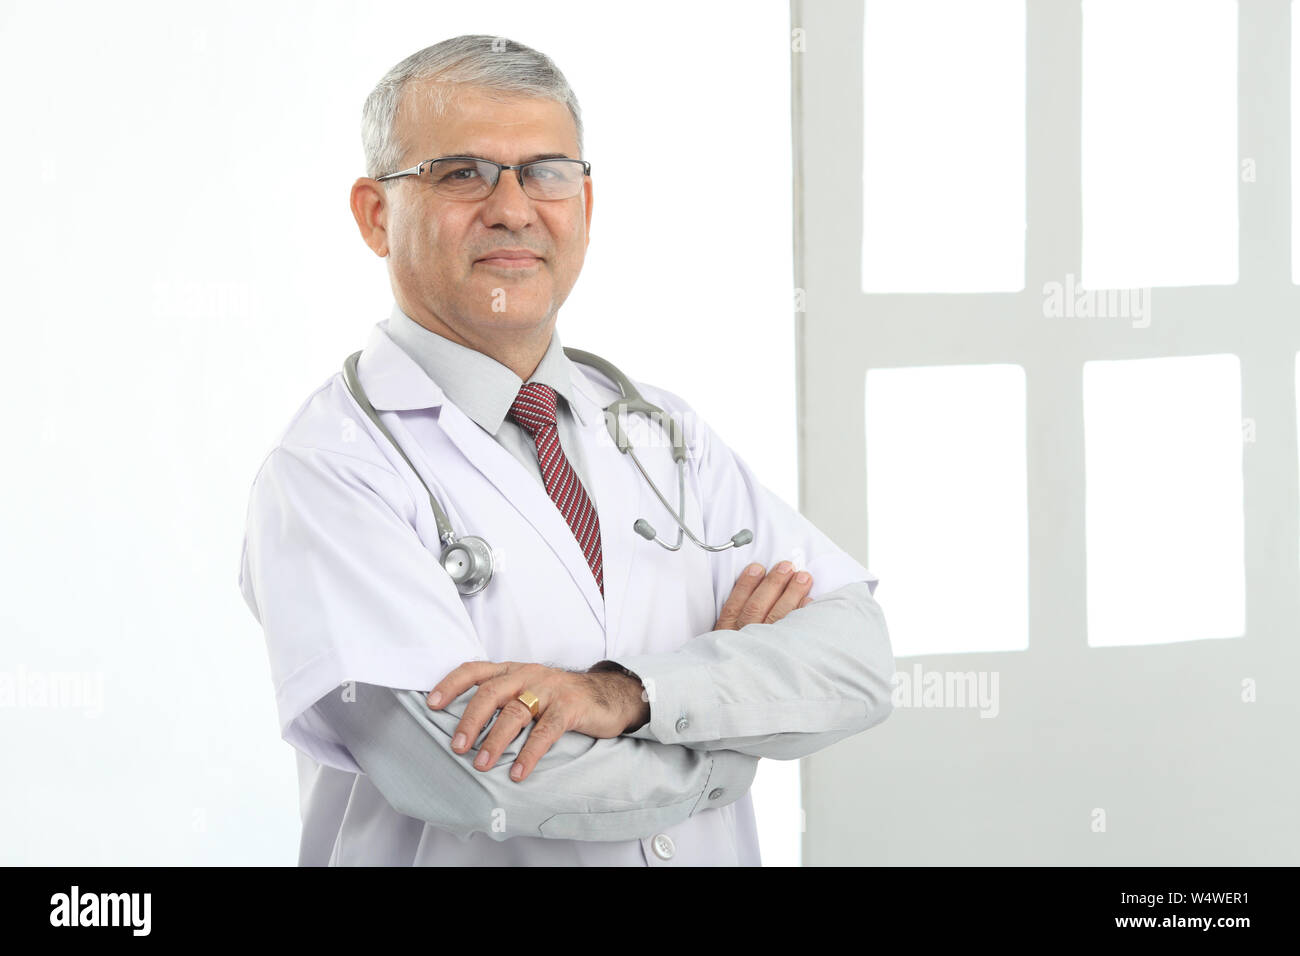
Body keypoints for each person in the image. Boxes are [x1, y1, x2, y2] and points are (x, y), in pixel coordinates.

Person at [237, 34, 896, 866]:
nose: (513, 207)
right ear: (376, 215)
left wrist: (628, 696)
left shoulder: (664, 432)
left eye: (546, 171)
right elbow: (489, 784)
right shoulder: (330, 471)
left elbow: (861, 661)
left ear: (584, 204)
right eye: (461, 173)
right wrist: (732, 735)